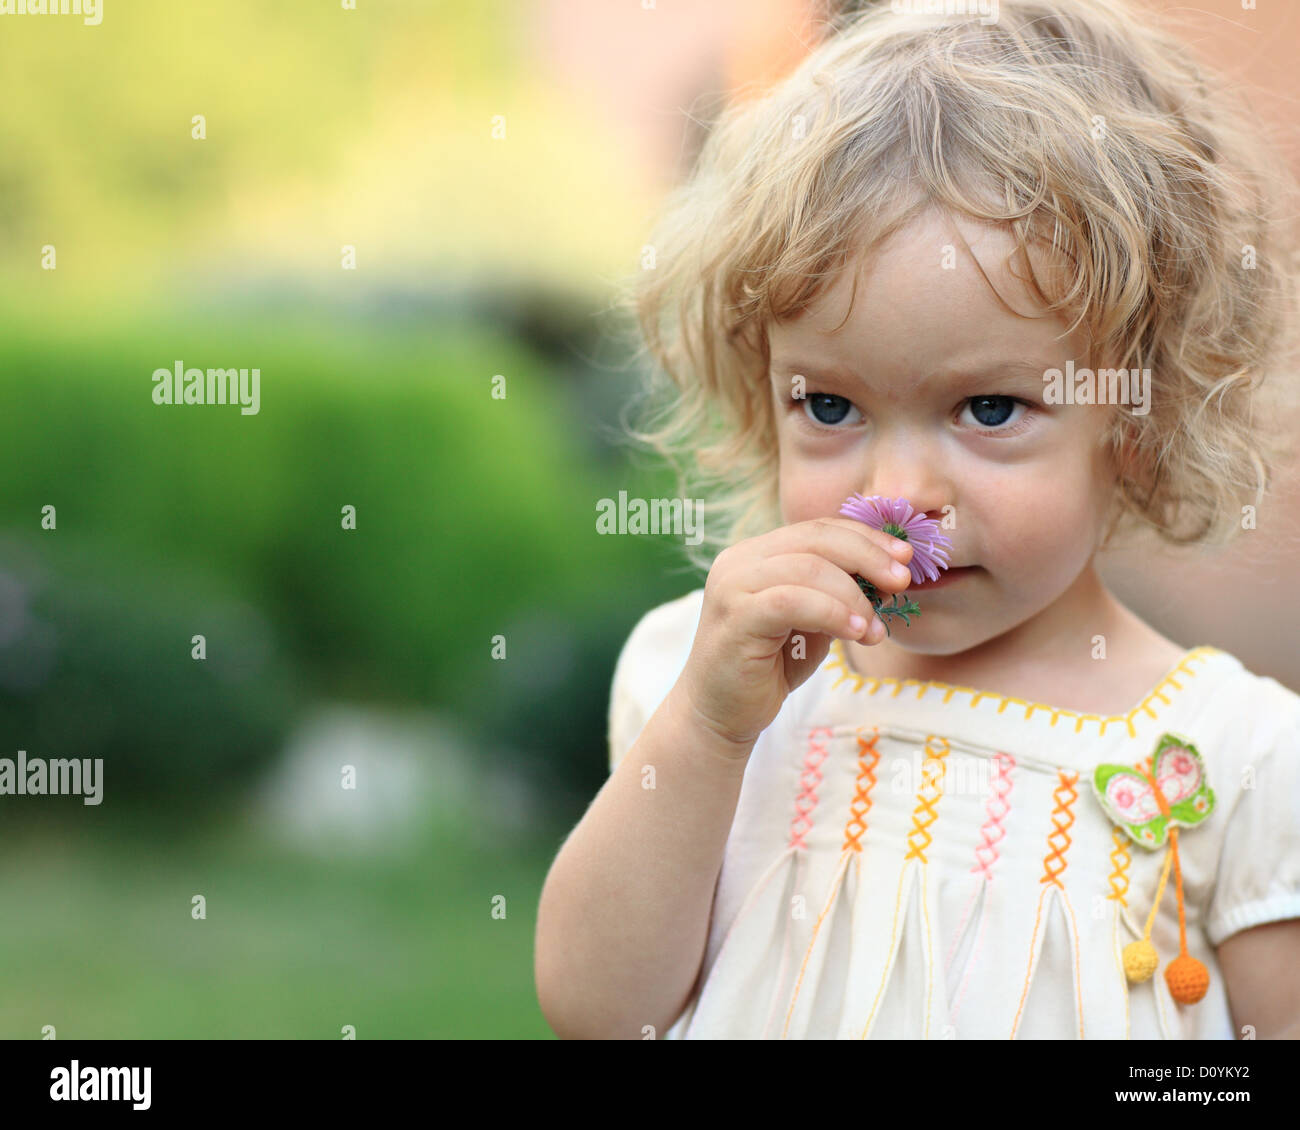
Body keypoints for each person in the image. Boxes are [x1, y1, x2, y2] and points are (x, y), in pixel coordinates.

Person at [534, 0, 1300, 1039]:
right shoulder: (713, 694)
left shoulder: (1232, 756)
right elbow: (597, 1009)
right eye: (831, 405)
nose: (896, 488)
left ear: (1137, 415)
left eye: (987, 409)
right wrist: (708, 730)